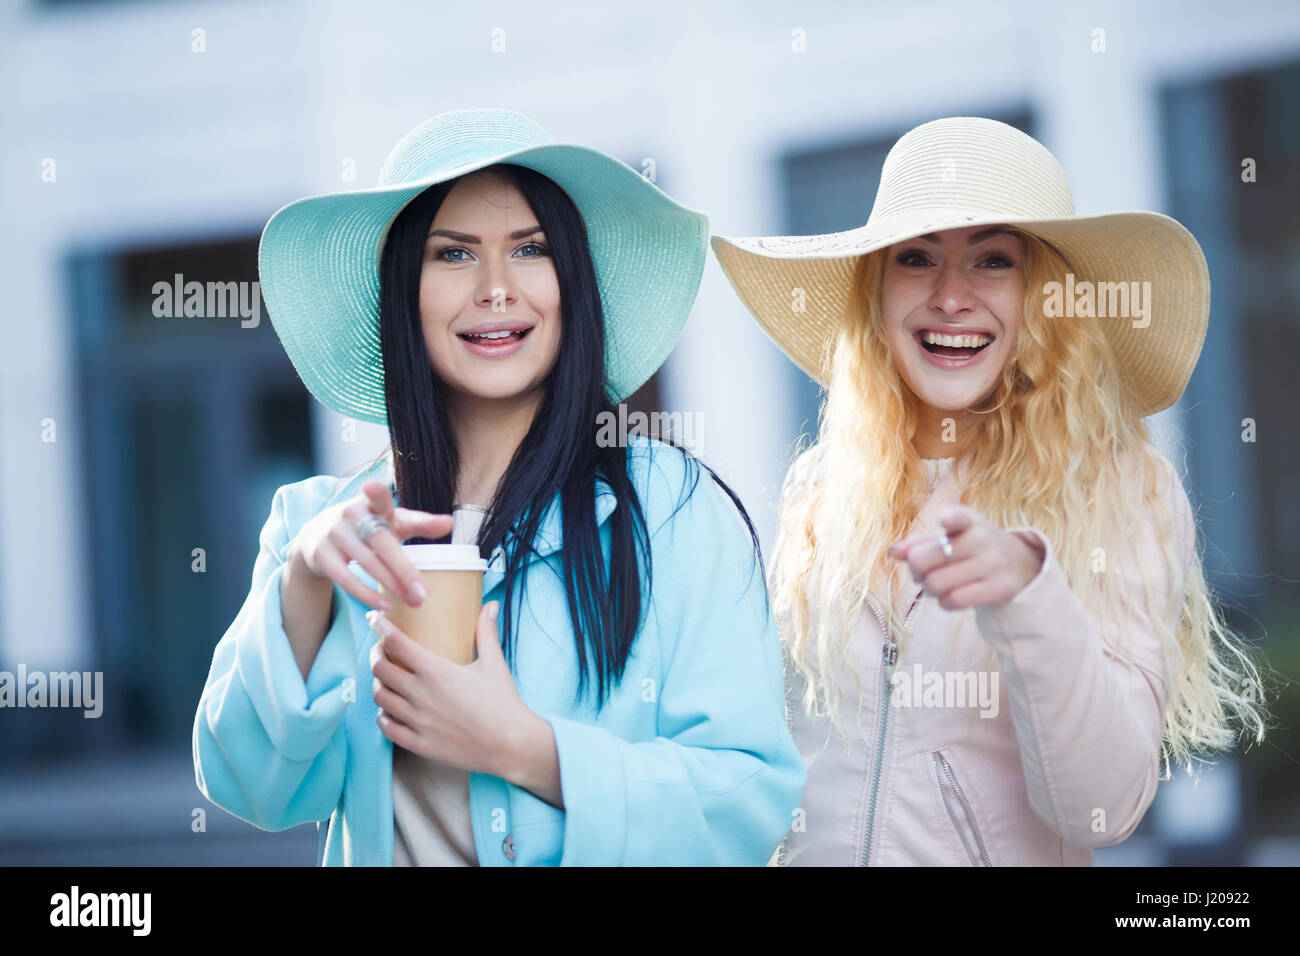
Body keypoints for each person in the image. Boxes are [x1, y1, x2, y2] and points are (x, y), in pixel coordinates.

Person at [193, 108, 805, 866]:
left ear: (570, 282)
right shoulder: (322, 527)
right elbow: (253, 789)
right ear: (402, 293)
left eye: (530, 249)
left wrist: (526, 751)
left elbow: (749, 804)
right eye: (453, 255)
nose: (495, 289)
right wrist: (305, 583)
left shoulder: (671, 508)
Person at [711, 116, 1267, 865]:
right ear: (877, 291)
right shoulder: (823, 484)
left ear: (1044, 297)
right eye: (915, 258)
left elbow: (1103, 807)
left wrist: (1027, 597)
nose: (950, 297)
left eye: (992, 260)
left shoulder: (1119, 485)